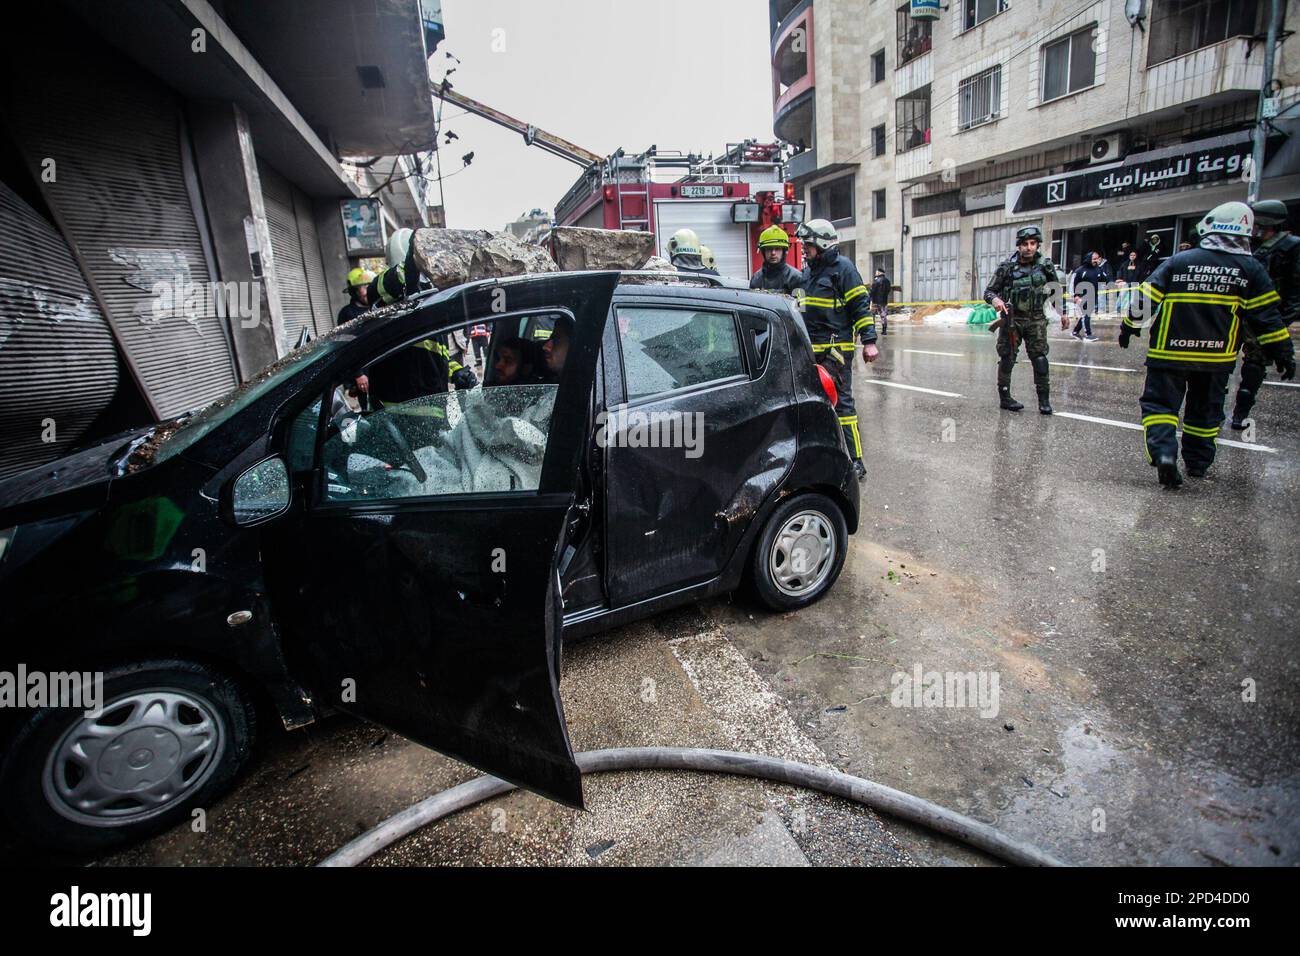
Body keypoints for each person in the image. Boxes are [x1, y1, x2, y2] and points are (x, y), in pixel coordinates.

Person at [1119, 201, 1295, 487]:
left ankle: (1164, 454)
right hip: (1216, 358)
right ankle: (1198, 465)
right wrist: (1283, 352)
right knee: (1205, 411)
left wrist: (1129, 327)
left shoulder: (1179, 261)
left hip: (1169, 352)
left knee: (1160, 406)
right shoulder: (1250, 269)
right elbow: (1266, 317)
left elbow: (1144, 298)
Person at [797, 218, 879, 480]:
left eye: (807, 244)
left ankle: (856, 460)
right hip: (810, 351)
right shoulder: (808, 273)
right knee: (816, 404)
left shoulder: (843, 269)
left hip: (836, 352)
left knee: (842, 406)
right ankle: (823, 453)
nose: (804, 249)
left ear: (821, 243)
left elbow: (860, 307)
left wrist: (869, 341)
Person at [1231, 199, 1300, 429]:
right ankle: (1212, 409)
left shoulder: (1290, 246)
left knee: (1255, 363)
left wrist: (1282, 320)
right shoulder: (1249, 246)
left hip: (1265, 315)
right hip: (1239, 310)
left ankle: (1240, 413)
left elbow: (1295, 287)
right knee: (1220, 359)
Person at [983, 225, 1067, 414]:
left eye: (1033, 243)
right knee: (1007, 358)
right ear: (1019, 246)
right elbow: (988, 291)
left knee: (1039, 358)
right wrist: (995, 299)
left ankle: (1044, 402)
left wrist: (1063, 312)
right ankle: (1005, 398)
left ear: (1037, 245)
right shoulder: (1007, 267)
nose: (1029, 247)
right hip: (1012, 320)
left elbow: (1055, 291)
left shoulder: (1045, 266)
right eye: (1025, 244)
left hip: (1036, 319)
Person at [749, 225, 803, 294]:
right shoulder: (756, 278)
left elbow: (800, 304)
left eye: (777, 249)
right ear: (763, 251)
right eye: (769, 249)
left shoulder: (796, 278)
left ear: (784, 251)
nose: (773, 253)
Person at [1070, 251, 1110, 340]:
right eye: (1094, 259)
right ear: (1089, 259)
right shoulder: (1080, 270)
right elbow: (1074, 283)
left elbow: (1106, 279)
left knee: (1085, 315)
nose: (1096, 261)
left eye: (1097, 259)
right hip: (1082, 297)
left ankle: (1075, 332)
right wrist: (1076, 295)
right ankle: (1088, 334)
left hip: (1093, 296)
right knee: (1086, 315)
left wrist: (1101, 268)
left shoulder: (1098, 269)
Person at [870, 268, 892, 335]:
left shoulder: (876, 281)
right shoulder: (887, 281)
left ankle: (872, 330)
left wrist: (870, 299)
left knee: (872, 315)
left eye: (876, 272)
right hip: (883, 302)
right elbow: (888, 290)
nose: (875, 273)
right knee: (883, 316)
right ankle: (884, 330)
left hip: (875, 301)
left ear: (879, 273)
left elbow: (872, 291)